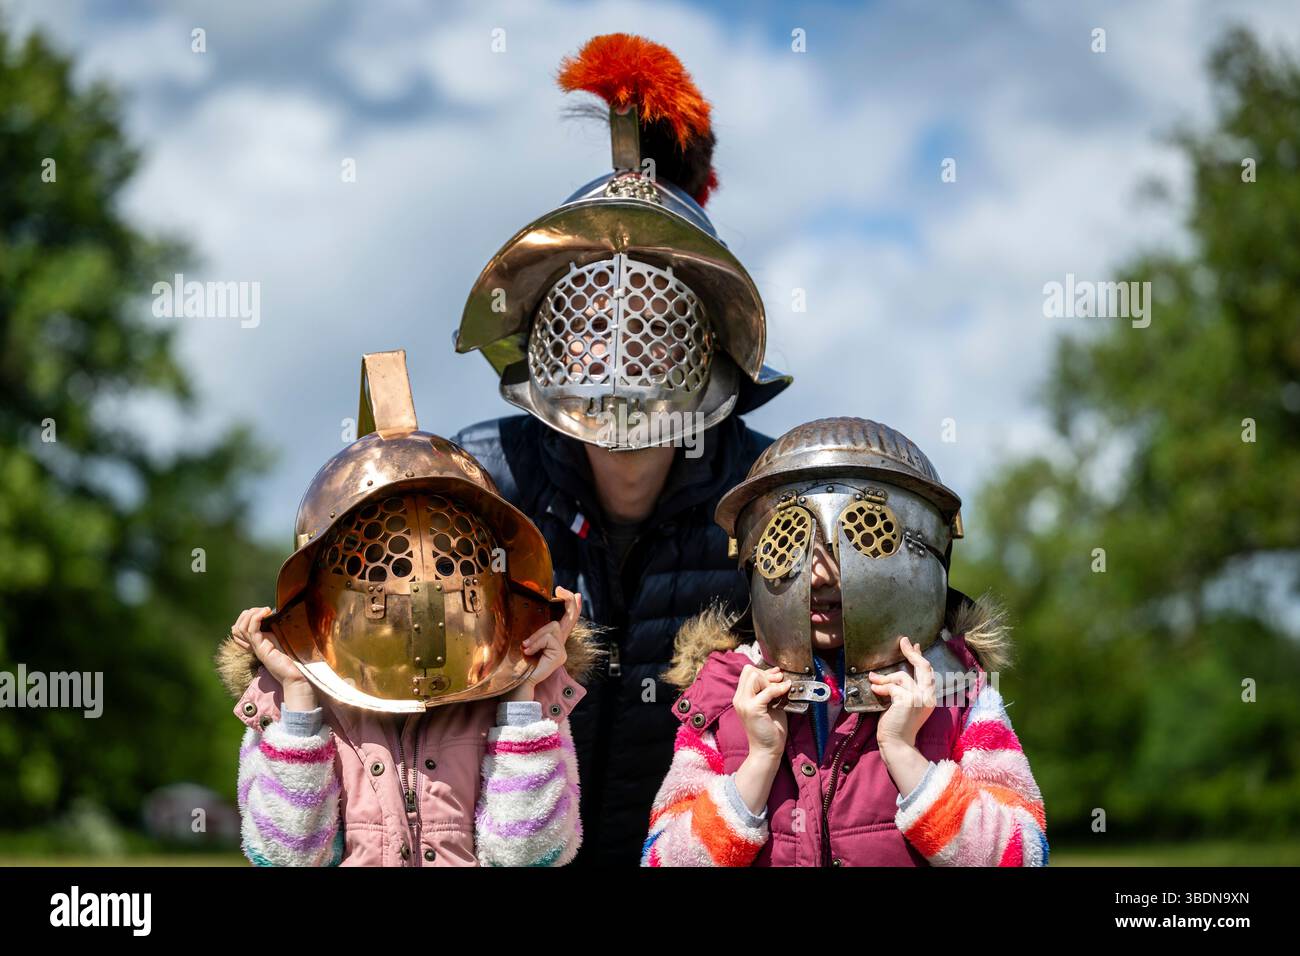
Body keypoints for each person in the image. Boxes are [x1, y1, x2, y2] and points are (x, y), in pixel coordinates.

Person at [452, 34, 791, 864]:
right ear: (545, 335)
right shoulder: (481, 484)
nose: (615, 348)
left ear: (704, 335)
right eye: (591, 321)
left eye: (646, 320)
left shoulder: (770, 496)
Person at [219, 351, 594, 866]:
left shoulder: (515, 697)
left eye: (448, 560)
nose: (418, 581)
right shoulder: (287, 699)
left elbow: (529, 857)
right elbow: (283, 858)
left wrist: (523, 695)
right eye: (381, 562)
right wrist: (301, 700)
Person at [642, 417, 1048, 866]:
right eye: (789, 543)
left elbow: (1024, 856)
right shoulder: (723, 698)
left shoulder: (958, 694)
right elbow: (661, 860)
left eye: (860, 542)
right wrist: (758, 762)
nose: (819, 575)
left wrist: (907, 757)